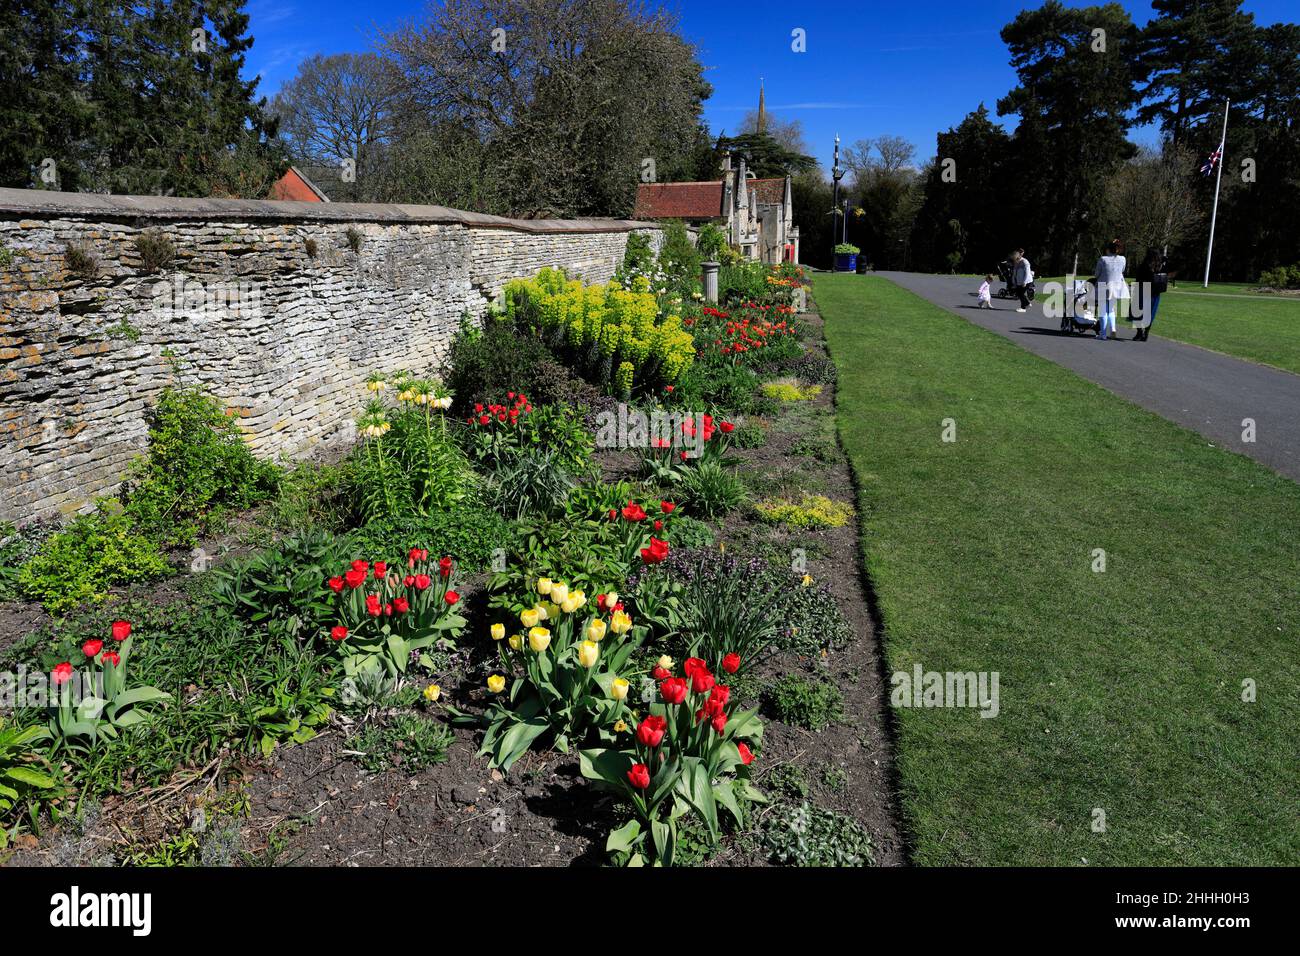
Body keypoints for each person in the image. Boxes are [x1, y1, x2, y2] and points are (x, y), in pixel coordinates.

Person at [1093, 239, 1127, 341]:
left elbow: (1096, 274)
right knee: (1111, 309)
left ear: (1108, 249)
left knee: (1103, 310)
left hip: (1104, 285)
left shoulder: (1103, 259)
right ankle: (1113, 328)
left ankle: (1103, 334)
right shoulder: (1123, 259)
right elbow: (1122, 270)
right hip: (1116, 286)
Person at [1132, 250, 1170, 341]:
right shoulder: (1160, 266)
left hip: (1142, 290)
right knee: (1150, 313)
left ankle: (1139, 332)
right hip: (1155, 293)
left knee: (1137, 313)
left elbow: (1138, 278)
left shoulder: (1144, 266)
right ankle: (1146, 333)